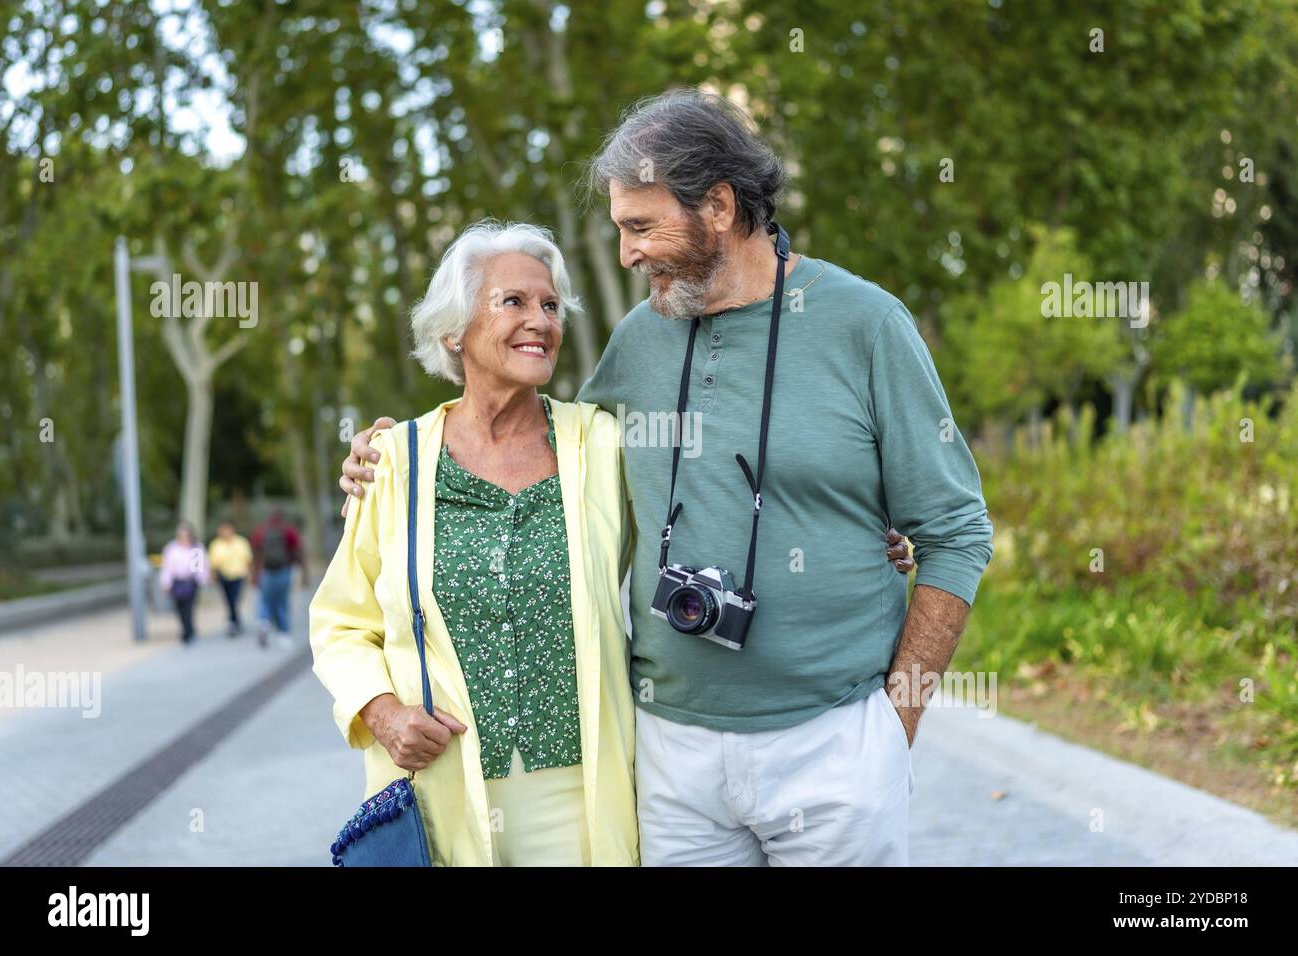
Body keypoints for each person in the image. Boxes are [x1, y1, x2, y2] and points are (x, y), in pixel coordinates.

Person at [341, 89, 989, 867]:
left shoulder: (867, 324)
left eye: (641, 227)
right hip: (670, 755)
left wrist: (895, 722)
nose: (626, 254)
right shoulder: (639, 340)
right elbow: (539, 446)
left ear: (718, 206)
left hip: (833, 743)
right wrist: (399, 453)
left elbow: (956, 531)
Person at [310, 221, 640, 865]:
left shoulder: (601, 443)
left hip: (582, 801)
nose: (540, 321)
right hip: (441, 796)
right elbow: (341, 622)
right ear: (453, 331)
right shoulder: (393, 461)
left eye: (550, 305)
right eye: (513, 301)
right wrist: (382, 713)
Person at [250, 508, 305, 648]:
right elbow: (298, 550)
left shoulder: (261, 531)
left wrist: (254, 575)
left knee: (265, 599)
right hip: (284, 570)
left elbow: (255, 553)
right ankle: (283, 634)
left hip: (266, 571)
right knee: (282, 601)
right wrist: (304, 571)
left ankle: (263, 622)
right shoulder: (288, 530)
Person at [159, 520, 209, 645]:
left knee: (188, 607)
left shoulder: (196, 547)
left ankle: (188, 632)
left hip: (191, 582)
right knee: (179, 608)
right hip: (177, 582)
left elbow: (200, 568)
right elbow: (168, 567)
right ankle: (186, 628)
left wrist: (200, 581)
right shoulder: (172, 548)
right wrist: (166, 583)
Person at [208, 519, 252, 636]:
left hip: (238, 575)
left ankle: (232, 621)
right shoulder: (216, 544)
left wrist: (250, 574)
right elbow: (213, 562)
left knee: (235, 599)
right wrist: (212, 575)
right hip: (224, 575)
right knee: (228, 599)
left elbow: (247, 559)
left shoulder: (241, 542)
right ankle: (234, 621)